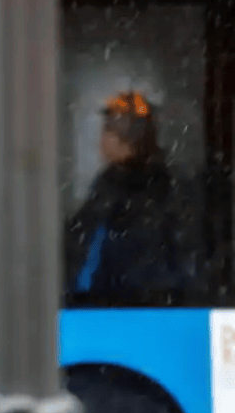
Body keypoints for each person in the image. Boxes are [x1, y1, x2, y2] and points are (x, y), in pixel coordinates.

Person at [65, 91, 197, 300]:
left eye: (107, 131)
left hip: (111, 305)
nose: (101, 140)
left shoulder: (111, 187)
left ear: (123, 140)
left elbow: (86, 256)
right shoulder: (171, 182)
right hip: (167, 304)